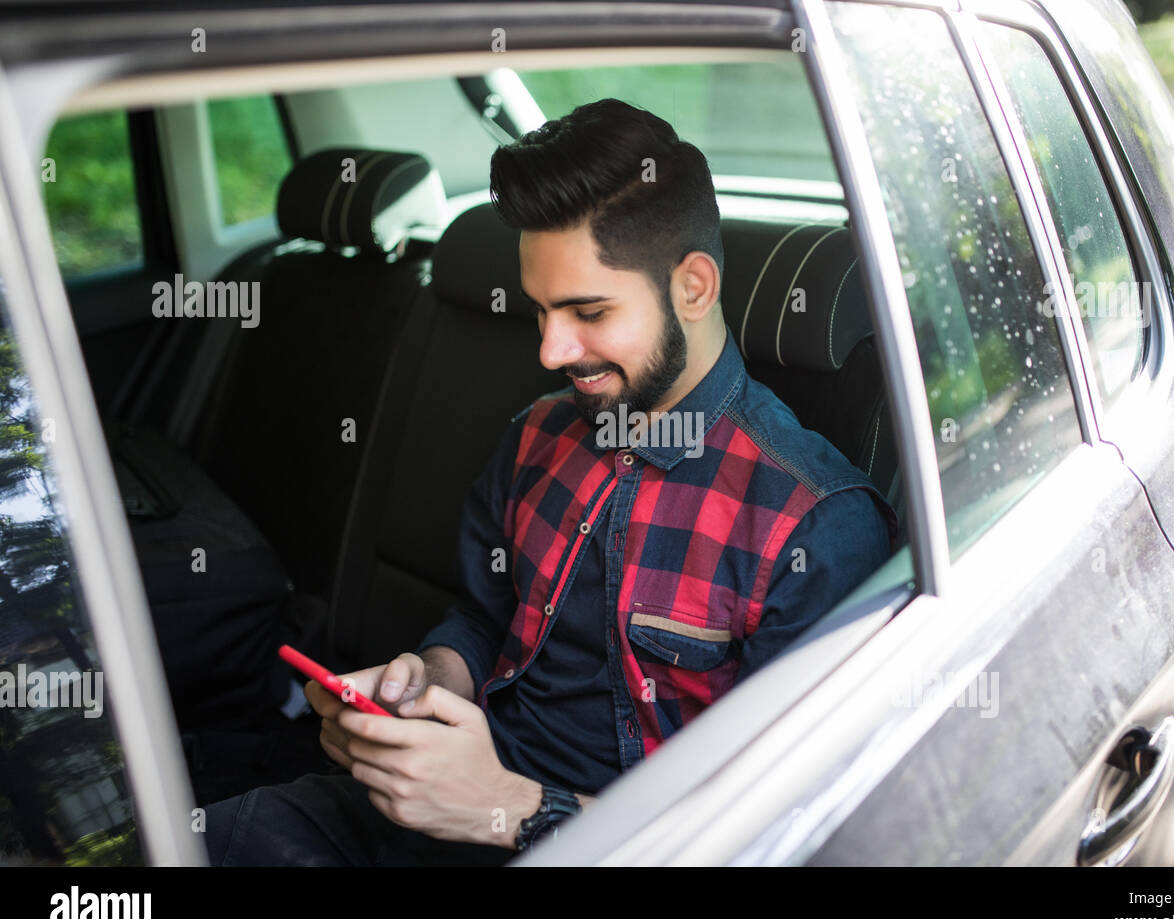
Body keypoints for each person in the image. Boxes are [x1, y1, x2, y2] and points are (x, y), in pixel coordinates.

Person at [202, 97, 895, 866]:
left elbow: (773, 824)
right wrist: (417, 686)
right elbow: (480, 620)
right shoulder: (539, 434)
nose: (551, 349)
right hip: (435, 811)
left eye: (588, 311)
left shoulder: (814, 524)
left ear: (694, 287)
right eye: (539, 312)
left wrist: (507, 810)